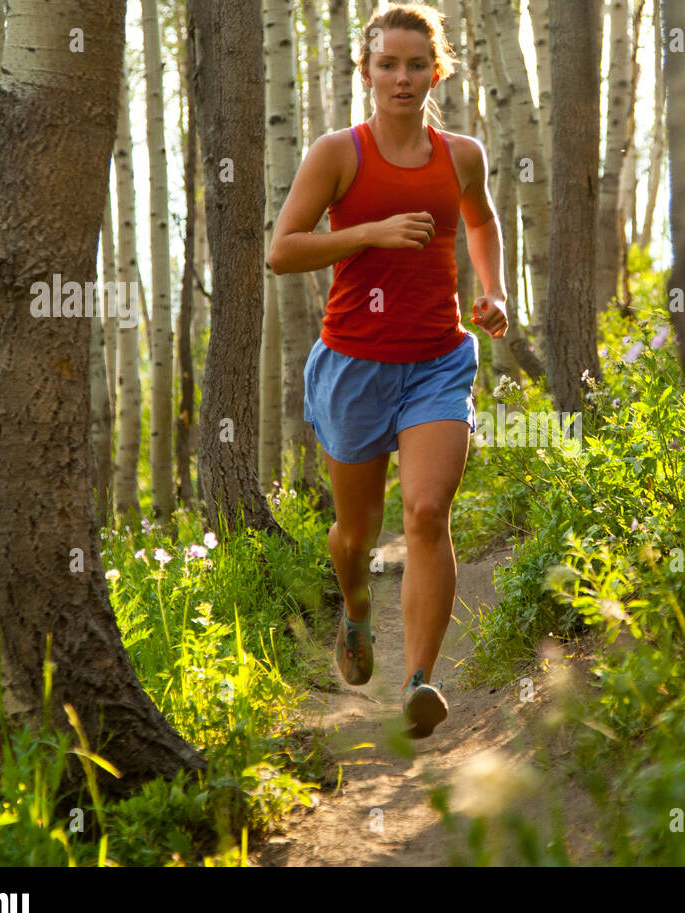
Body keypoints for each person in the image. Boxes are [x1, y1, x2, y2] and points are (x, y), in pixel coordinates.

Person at [268, 3, 509, 739]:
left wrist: (494, 289)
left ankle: (419, 683)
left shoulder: (461, 154)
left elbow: (480, 220)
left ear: (437, 71)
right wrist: (369, 233)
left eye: (415, 64)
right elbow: (281, 250)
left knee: (428, 513)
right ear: (366, 72)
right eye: (387, 64)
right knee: (355, 534)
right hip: (353, 365)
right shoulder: (339, 154)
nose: (402, 78)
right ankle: (357, 608)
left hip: (438, 359)